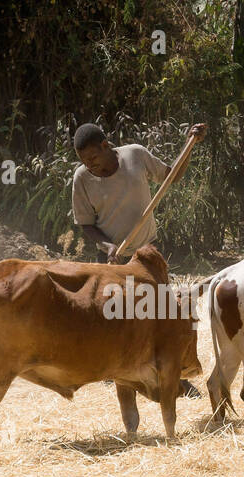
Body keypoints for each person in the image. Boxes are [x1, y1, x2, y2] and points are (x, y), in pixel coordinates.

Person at [72, 121, 207, 397]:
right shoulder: (82, 179)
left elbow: (172, 176)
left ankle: (176, 378)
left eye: (93, 158)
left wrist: (190, 146)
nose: (90, 166)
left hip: (146, 256)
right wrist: (107, 245)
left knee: (162, 316)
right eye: (85, 161)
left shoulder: (135, 155)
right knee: (117, 320)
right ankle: (119, 375)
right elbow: (85, 223)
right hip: (111, 260)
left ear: (106, 146)